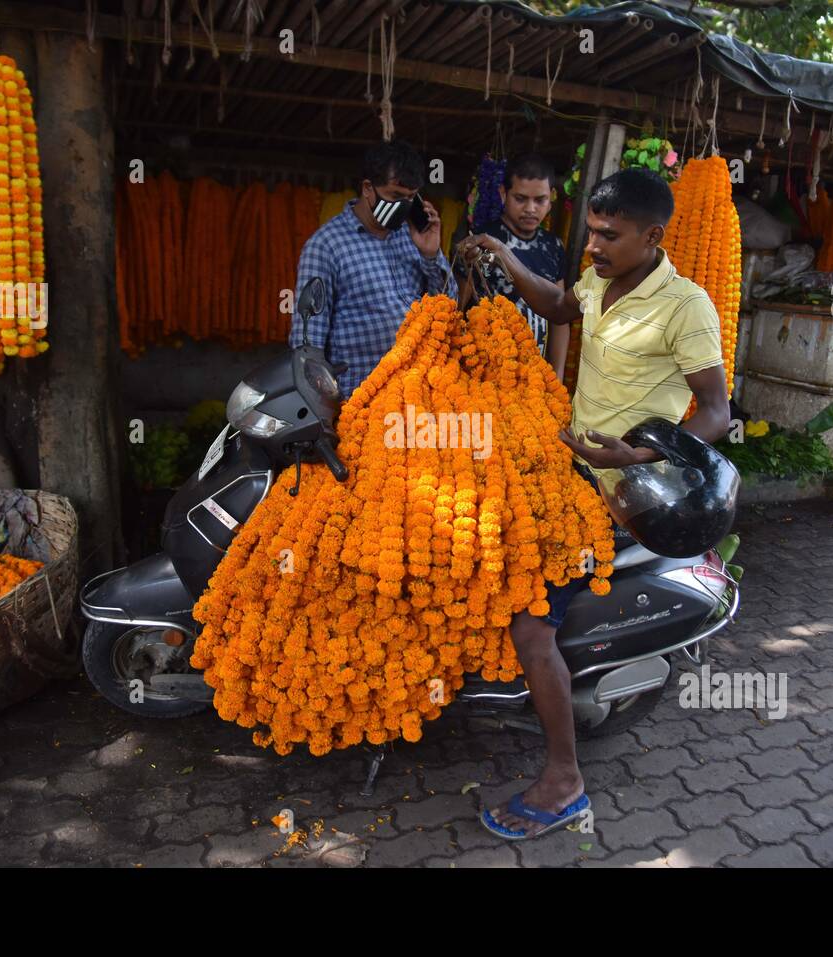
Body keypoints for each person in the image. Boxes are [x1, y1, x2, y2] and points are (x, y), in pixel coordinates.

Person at [456, 168, 732, 840]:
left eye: (609, 236)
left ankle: (563, 782)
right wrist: (499, 252)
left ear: (652, 235)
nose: (594, 245)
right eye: (592, 232)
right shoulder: (602, 282)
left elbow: (718, 411)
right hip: (568, 468)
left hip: (621, 493)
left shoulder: (687, 305)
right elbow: (556, 304)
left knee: (530, 624)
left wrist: (638, 456)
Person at [293, 142, 457, 398]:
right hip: (361, 399)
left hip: (420, 393)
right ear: (368, 188)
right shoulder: (326, 246)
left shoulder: (414, 233)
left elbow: (447, 307)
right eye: (395, 196)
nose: (404, 206)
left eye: (411, 197)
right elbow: (307, 341)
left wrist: (431, 254)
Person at [450, 154, 568, 380]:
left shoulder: (553, 246)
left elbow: (559, 315)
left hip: (535, 375)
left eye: (540, 200)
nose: (531, 209)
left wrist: (557, 375)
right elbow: (456, 308)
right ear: (504, 194)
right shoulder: (480, 240)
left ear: (551, 198)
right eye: (521, 199)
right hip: (485, 374)